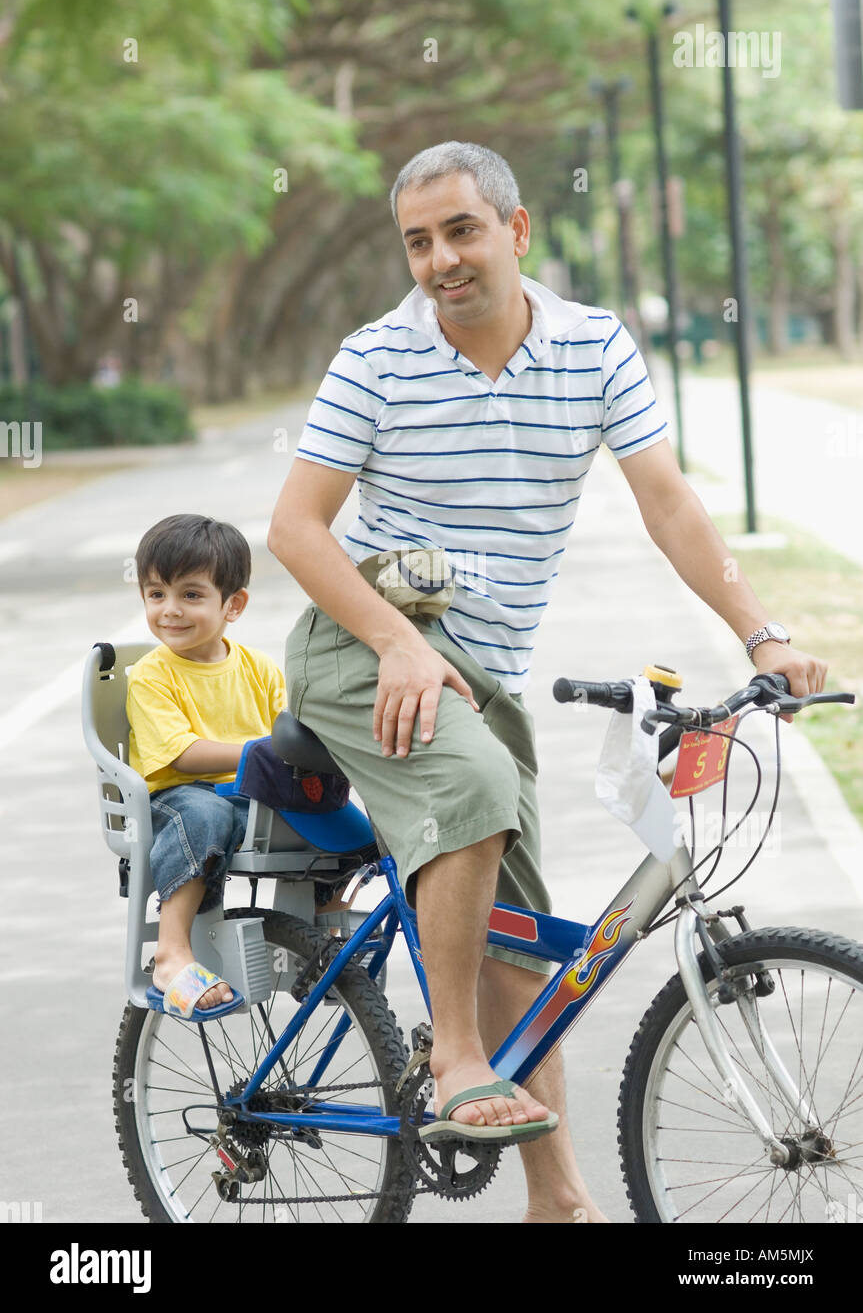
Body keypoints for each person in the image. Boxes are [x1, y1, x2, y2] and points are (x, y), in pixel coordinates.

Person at [267, 141, 827, 1222]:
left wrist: (760, 635)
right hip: (360, 646)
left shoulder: (592, 346)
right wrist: (397, 642)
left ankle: (557, 1201)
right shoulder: (376, 358)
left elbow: (667, 501)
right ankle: (454, 1058)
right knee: (475, 792)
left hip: (484, 677)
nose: (441, 260)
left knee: (519, 939)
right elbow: (295, 528)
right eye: (418, 242)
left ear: (516, 230)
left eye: (461, 231)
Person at [126, 514, 287, 1020]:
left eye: (191, 595)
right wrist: (260, 750)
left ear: (232, 605)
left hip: (247, 794)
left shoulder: (260, 669)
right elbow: (181, 754)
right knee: (205, 815)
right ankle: (171, 952)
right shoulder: (151, 675)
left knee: (333, 814)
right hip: (175, 799)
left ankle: (323, 928)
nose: (170, 610)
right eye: (156, 594)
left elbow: (288, 736)